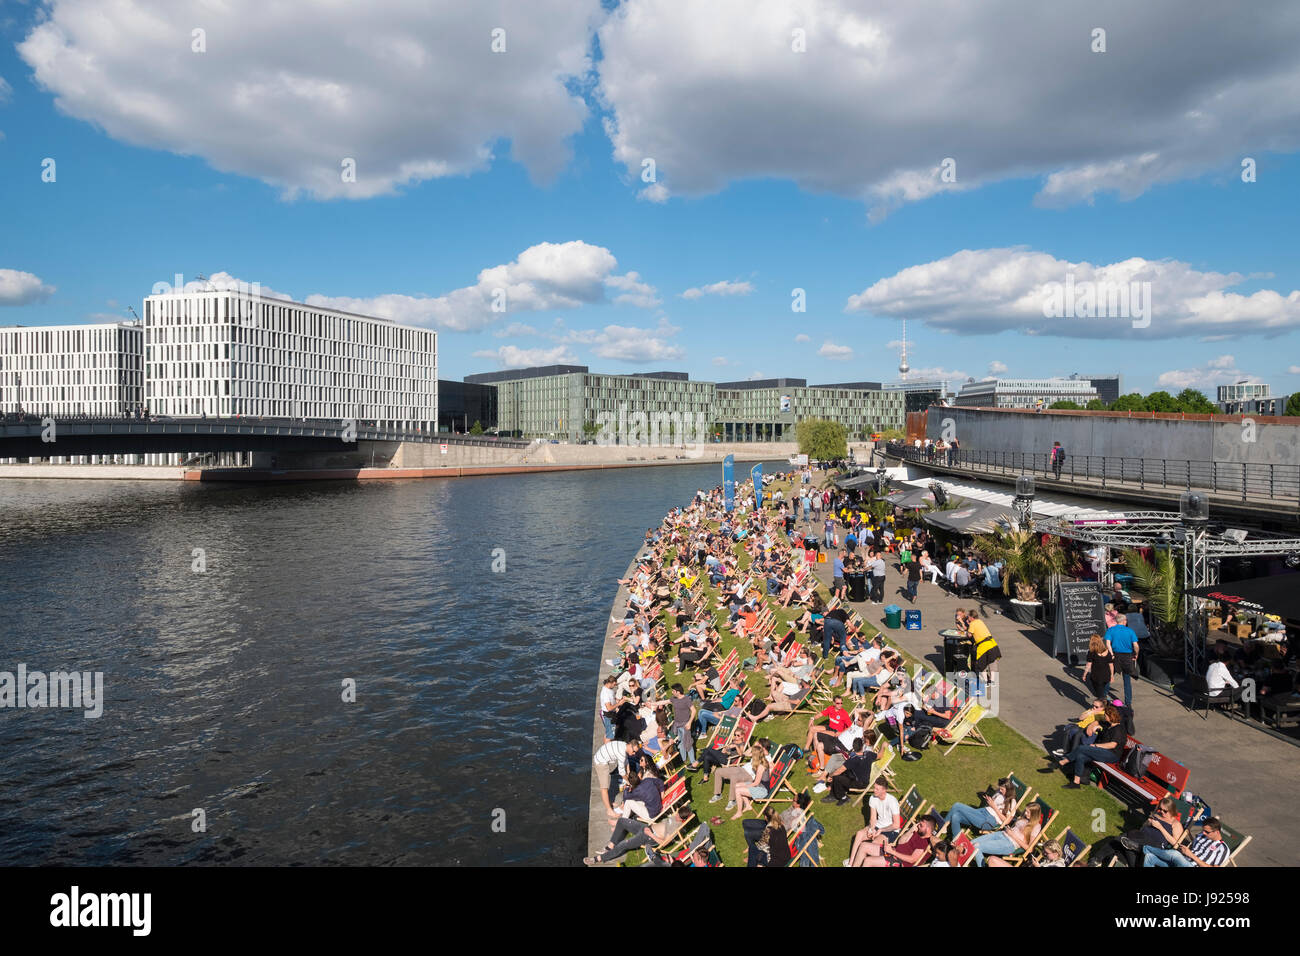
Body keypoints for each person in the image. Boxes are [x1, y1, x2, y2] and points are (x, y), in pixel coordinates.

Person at [1042, 703, 1125, 788]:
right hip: (1103, 751)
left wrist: (1096, 746)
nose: (1104, 717)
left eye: (1105, 715)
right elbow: (1097, 721)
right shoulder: (1108, 725)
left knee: (1082, 748)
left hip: (1112, 754)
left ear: (1111, 716)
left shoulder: (1118, 729)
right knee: (1081, 756)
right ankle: (1076, 782)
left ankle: (1060, 763)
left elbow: (1112, 745)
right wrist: (1095, 726)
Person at [973, 803, 1044, 867]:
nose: (1025, 813)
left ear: (1034, 814)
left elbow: (1030, 849)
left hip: (1009, 844)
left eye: (1028, 812)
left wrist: (1013, 835)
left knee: (977, 847)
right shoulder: (1024, 818)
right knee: (971, 843)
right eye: (1026, 810)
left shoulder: (1036, 827)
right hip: (1001, 834)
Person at [943, 777, 1020, 835]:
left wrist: (994, 807)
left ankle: (942, 827)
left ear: (1008, 789)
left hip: (989, 820)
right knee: (956, 816)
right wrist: (989, 800)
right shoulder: (999, 793)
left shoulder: (1012, 802)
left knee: (957, 805)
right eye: (1000, 788)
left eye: (1002, 789)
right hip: (982, 811)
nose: (1000, 790)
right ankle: (956, 843)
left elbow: (1006, 822)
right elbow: (993, 804)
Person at [1142, 817, 1230, 868]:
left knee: (1175, 854)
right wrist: (1185, 851)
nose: (1203, 833)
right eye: (1203, 830)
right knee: (1149, 857)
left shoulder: (1223, 848)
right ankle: (1146, 849)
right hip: (1182, 862)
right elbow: (1191, 850)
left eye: (1207, 832)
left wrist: (1190, 854)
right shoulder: (1201, 836)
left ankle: (1144, 847)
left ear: (1217, 832)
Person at [592, 738, 641, 813]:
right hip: (600, 762)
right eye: (634, 751)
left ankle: (610, 802)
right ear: (630, 746)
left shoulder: (624, 745)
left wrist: (628, 773)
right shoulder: (622, 753)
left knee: (607, 785)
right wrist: (629, 782)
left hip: (602, 756)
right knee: (604, 788)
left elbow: (626, 762)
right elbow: (621, 772)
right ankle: (609, 810)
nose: (634, 753)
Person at [1105, 615, 1140, 709]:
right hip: (1127, 656)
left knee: (1110, 676)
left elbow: (1107, 643)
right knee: (1127, 680)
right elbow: (1136, 645)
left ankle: (1103, 697)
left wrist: (1111, 653)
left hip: (1115, 655)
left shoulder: (1111, 630)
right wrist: (1136, 654)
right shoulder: (1130, 631)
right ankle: (1128, 703)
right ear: (1124, 621)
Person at [1081, 633, 1114, 701]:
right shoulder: (1107, 652)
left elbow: (1088, 665)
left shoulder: (1091, 652)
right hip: (1106, 676)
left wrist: (1084, 675)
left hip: (1096, 677)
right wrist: (1112, 675)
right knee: (1102, 693)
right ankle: (1104, 702)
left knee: (1100, 696)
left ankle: (1102, 706)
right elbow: (1111, 665)